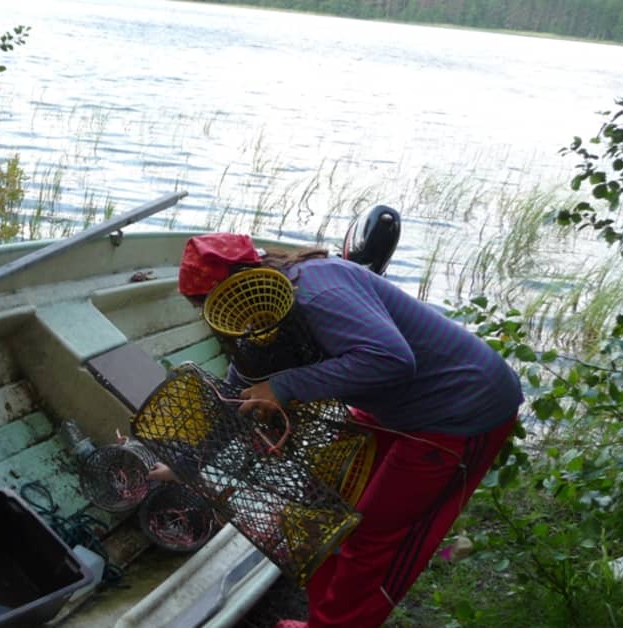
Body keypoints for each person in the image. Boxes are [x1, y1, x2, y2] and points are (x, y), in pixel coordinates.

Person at [172, 233, 523, 628]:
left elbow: (390, 358)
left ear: (243, 282)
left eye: (211, 301)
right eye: (203, 307)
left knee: (375, 535)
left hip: (459, 409)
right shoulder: (263, 319)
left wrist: (284, 387)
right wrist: (184, 460)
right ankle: (325, 621)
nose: (215, 315)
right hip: (394, 407)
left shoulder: (317, 292)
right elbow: (239, 390)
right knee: (322, 509)